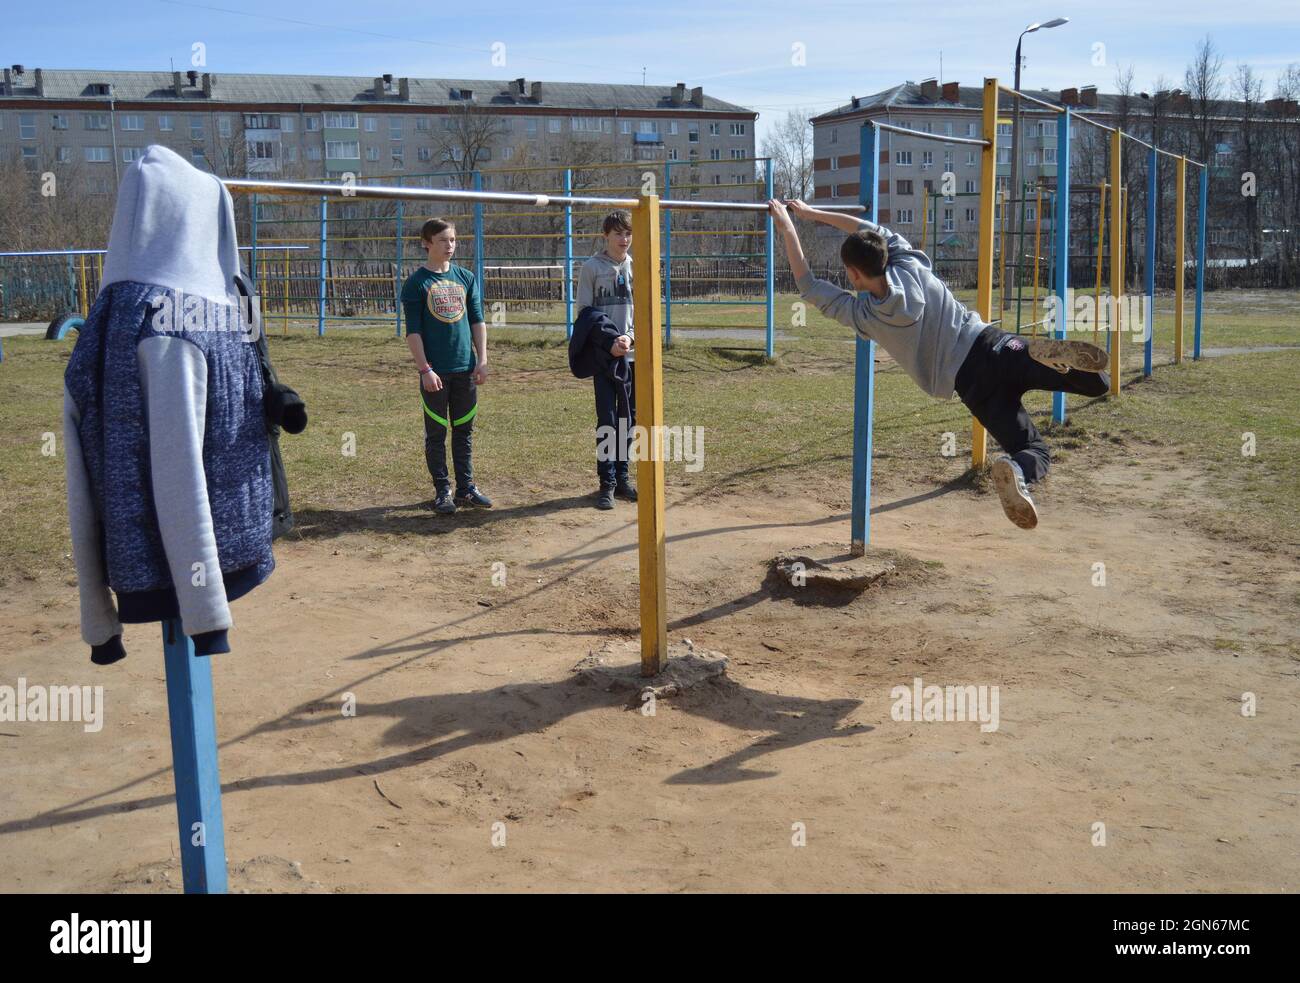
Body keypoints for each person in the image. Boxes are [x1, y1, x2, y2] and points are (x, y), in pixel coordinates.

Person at [769, 198, 1109, 529]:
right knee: (1098, 384)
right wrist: (813, 213)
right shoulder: (908, 262)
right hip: (994, 347)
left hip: (971, 385)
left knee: (1032, 449)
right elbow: (865, 229)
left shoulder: (865, 315)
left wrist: (786, 227)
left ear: (855, 275)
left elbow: (808, 284)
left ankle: (1017, 470)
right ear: (883, 253)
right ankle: (1049, 358)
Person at [401, 218, 491, 515]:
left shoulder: (466, 277)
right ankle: (443, 490)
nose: (449, 246)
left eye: (452, 240)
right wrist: (424, 369)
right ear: (426, 243)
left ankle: (466, 487)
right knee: (437, 433)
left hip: (465, 369)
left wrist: (482, 360)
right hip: (435, 373)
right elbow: (413, 331)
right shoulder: (416, 283)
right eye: (442, 240)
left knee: (464, 431)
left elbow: (477, 320)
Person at [575, 210, 638, 510]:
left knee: (629, 418)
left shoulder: (637, 266)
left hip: (632, 355)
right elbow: (585, 313)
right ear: (606, 236)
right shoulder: (592, 267)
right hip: (605, 357)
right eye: (618, 234)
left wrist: (629, 338)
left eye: (627, 233)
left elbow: (645, 312)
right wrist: (609, 341)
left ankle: (623, 477)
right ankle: (607, 482)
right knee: (608, 420)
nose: (624, 239)